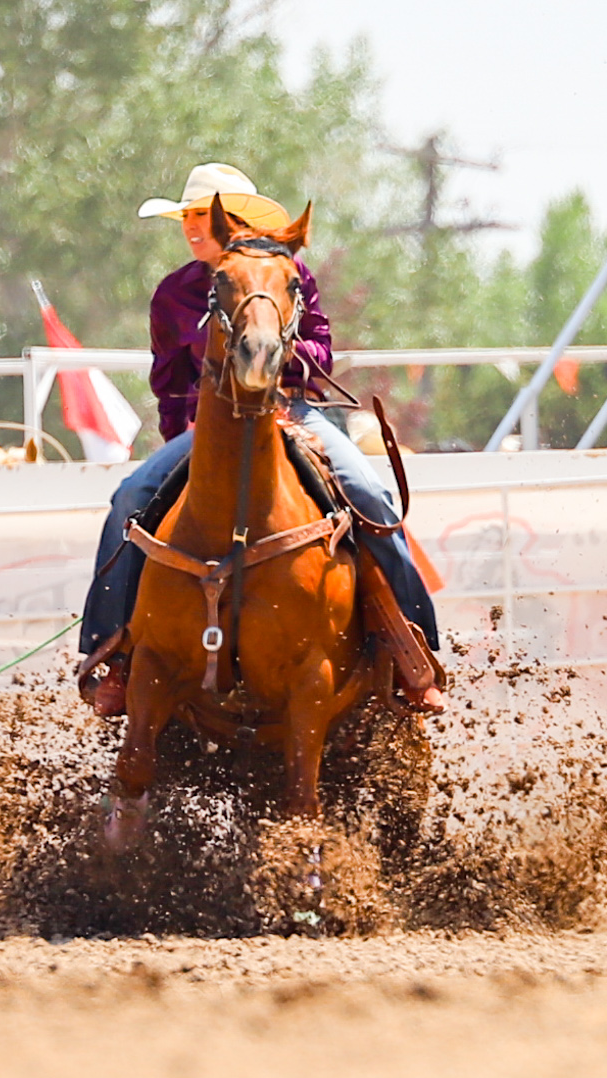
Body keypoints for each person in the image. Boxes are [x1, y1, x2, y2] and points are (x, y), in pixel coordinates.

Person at [76, 163, 442, 716]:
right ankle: (114, 655)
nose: (193, 227)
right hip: (211, 427)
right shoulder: (173, 294)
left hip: (290, 412)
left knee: (372, 496)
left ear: (232, 224)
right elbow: (170, 383)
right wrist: (191, 442)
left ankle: (412, 650)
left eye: (203, 216)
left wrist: (279, 346)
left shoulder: (288, 275)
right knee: (130, 499)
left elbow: (322, 349)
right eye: (188, 217)